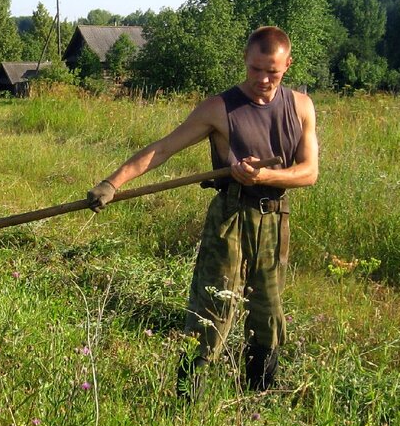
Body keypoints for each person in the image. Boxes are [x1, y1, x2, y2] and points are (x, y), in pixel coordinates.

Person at [87, 26, 319, 396]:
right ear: (245, 60)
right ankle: (186, 395)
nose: (262, 79)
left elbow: (309, 172)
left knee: (268, 309)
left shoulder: (301, 106)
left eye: (272, 72)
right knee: (213, 307)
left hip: (275, 217)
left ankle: (259, 393)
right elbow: (162, 149)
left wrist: (265, 176)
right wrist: (112, 183)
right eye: (255, 69)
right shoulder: (220, 107)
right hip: (230, 216)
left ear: (287, 65)